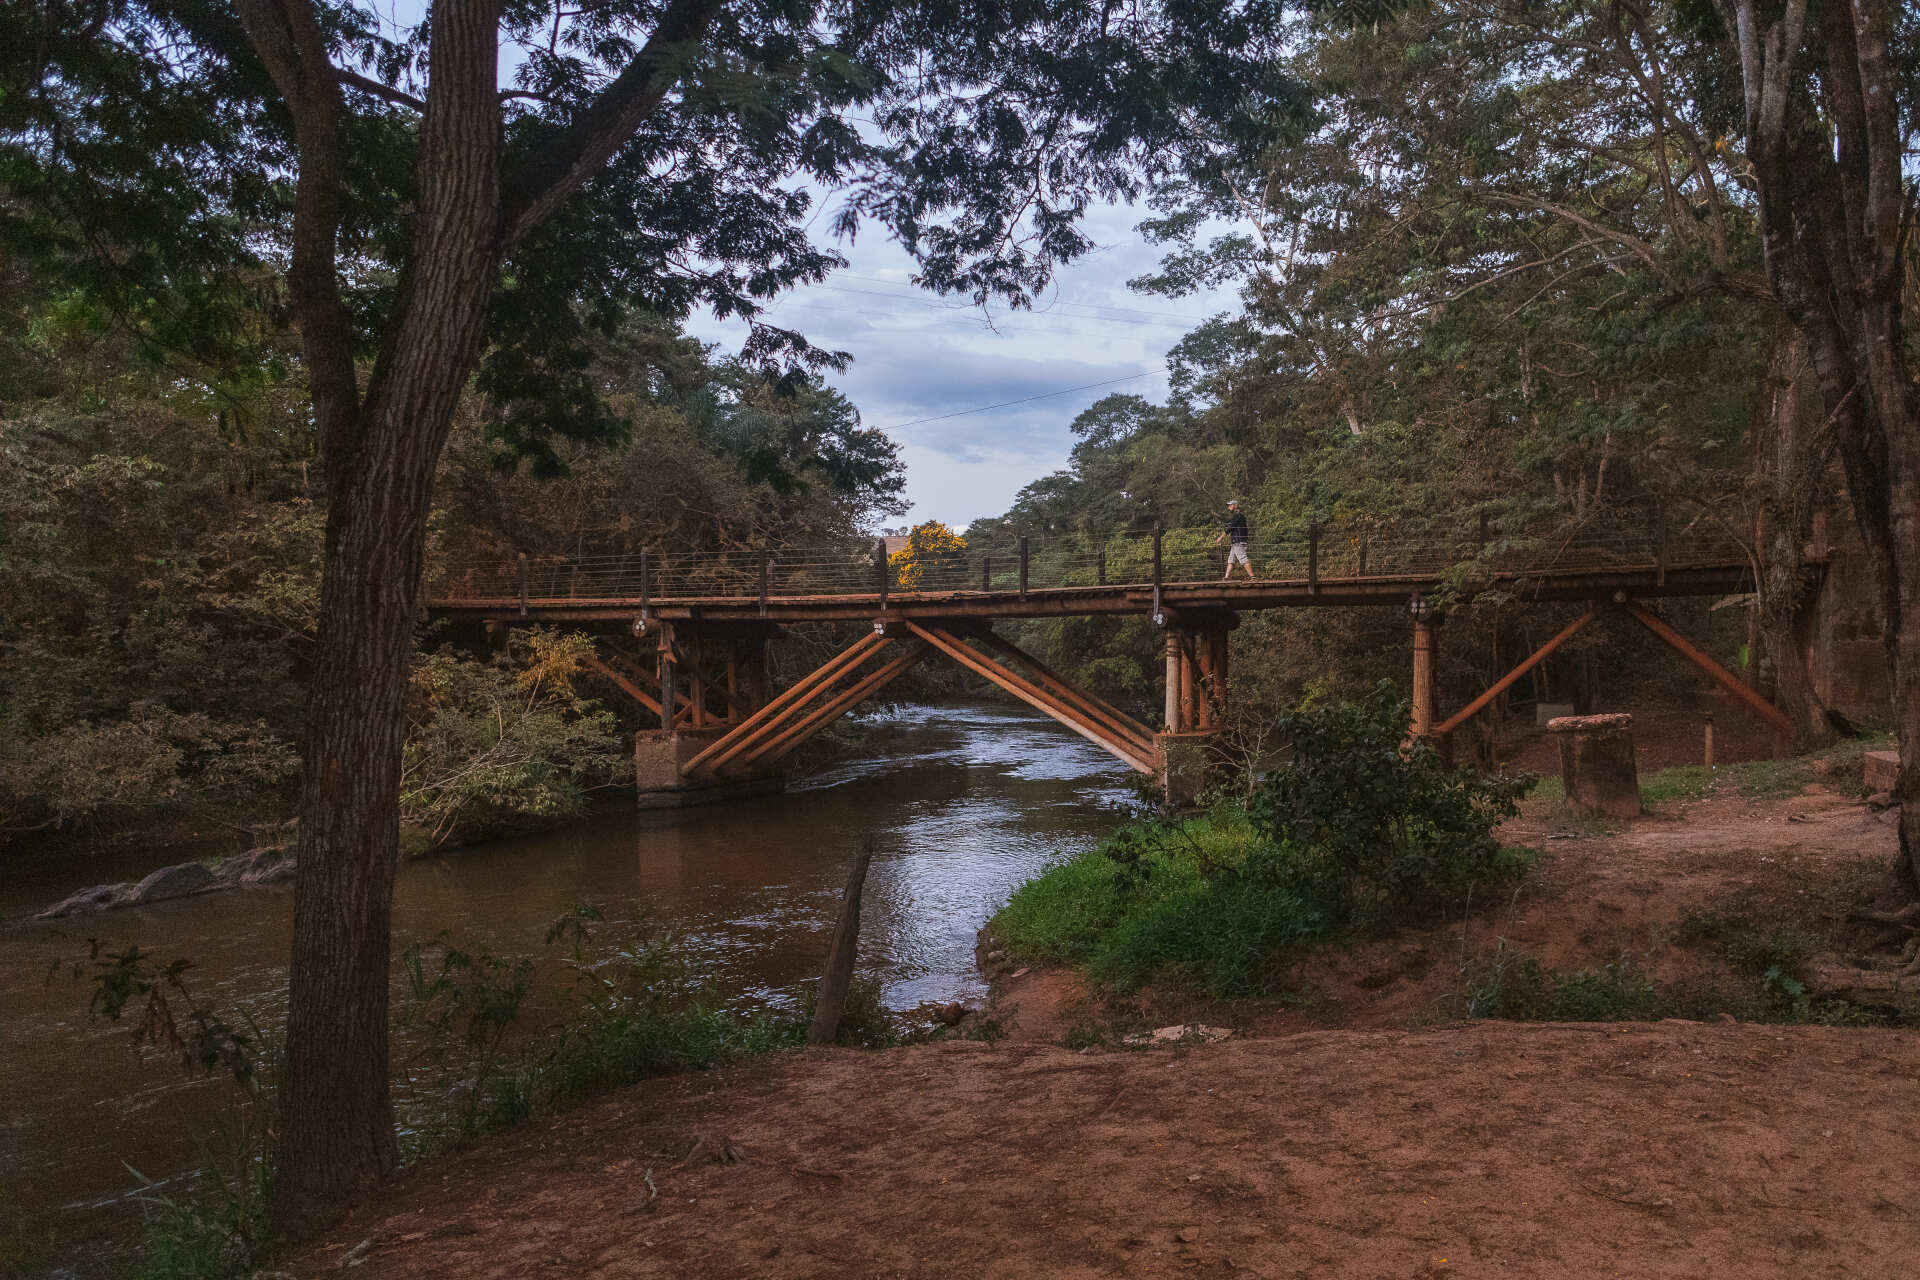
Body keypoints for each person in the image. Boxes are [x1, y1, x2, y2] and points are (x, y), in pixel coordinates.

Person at [1216, 500, 1253, 580]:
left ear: (1235, 506)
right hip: (1236, 541)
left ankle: (1253, 577)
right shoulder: (1240, 516)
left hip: (1238, 541)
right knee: (1231, 560)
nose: (1229, 508)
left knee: (1243, 558)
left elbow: (1230, 528)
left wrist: (1220, 537)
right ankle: (1226, 577)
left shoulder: (1237, 515)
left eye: (1230, 506)